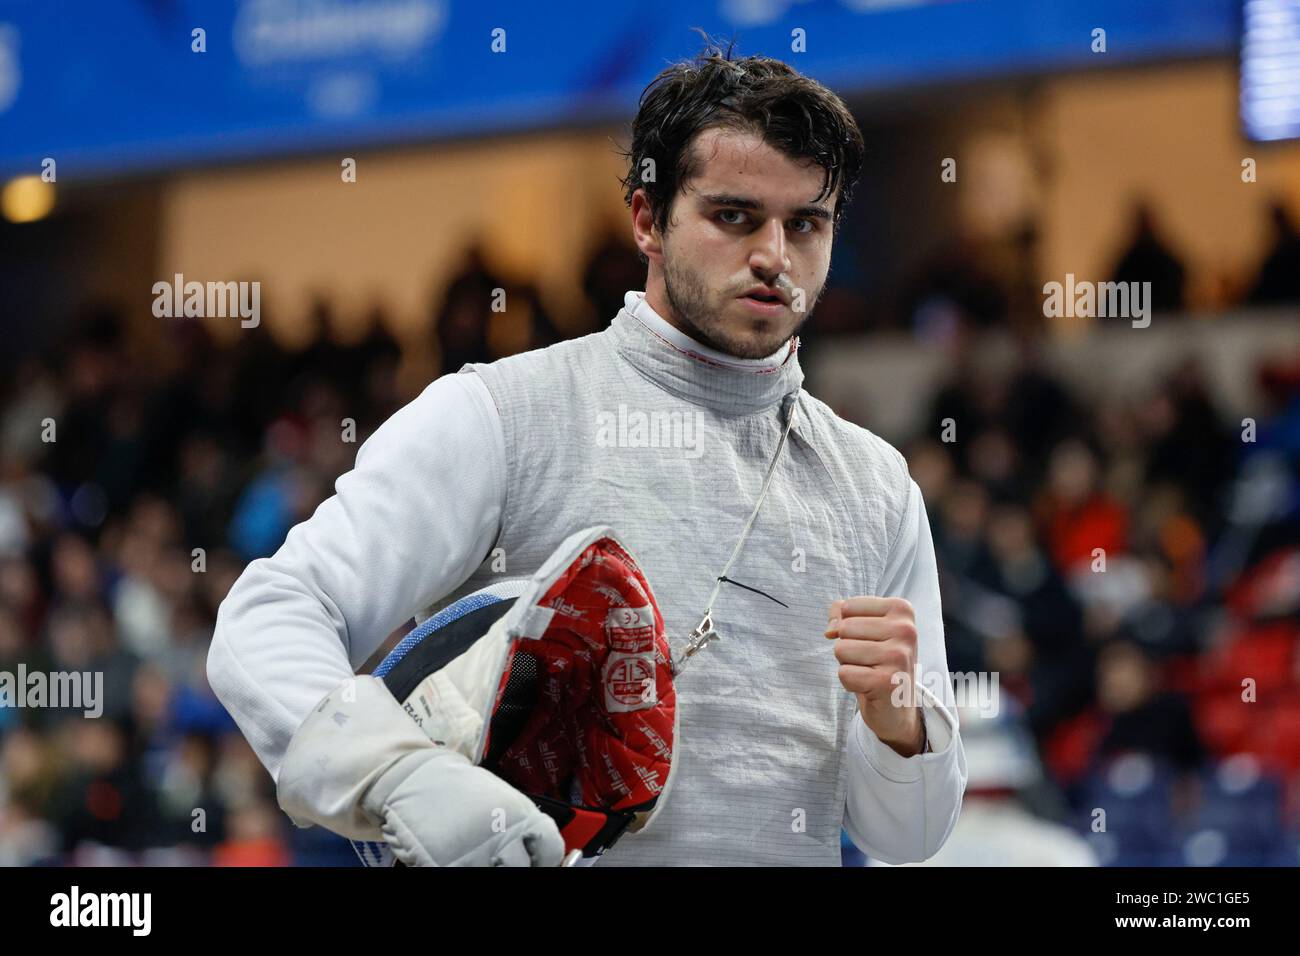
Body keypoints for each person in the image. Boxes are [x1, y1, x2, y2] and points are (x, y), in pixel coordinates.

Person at [207, 39, 967, 867]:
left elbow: (909, 836)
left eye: (806, 225)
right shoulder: (502, 417)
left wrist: (900, 723)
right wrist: (399, 778)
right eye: (734, 216)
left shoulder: (874, 486)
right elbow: (269, 616)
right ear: (647, 218)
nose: (773, 257)